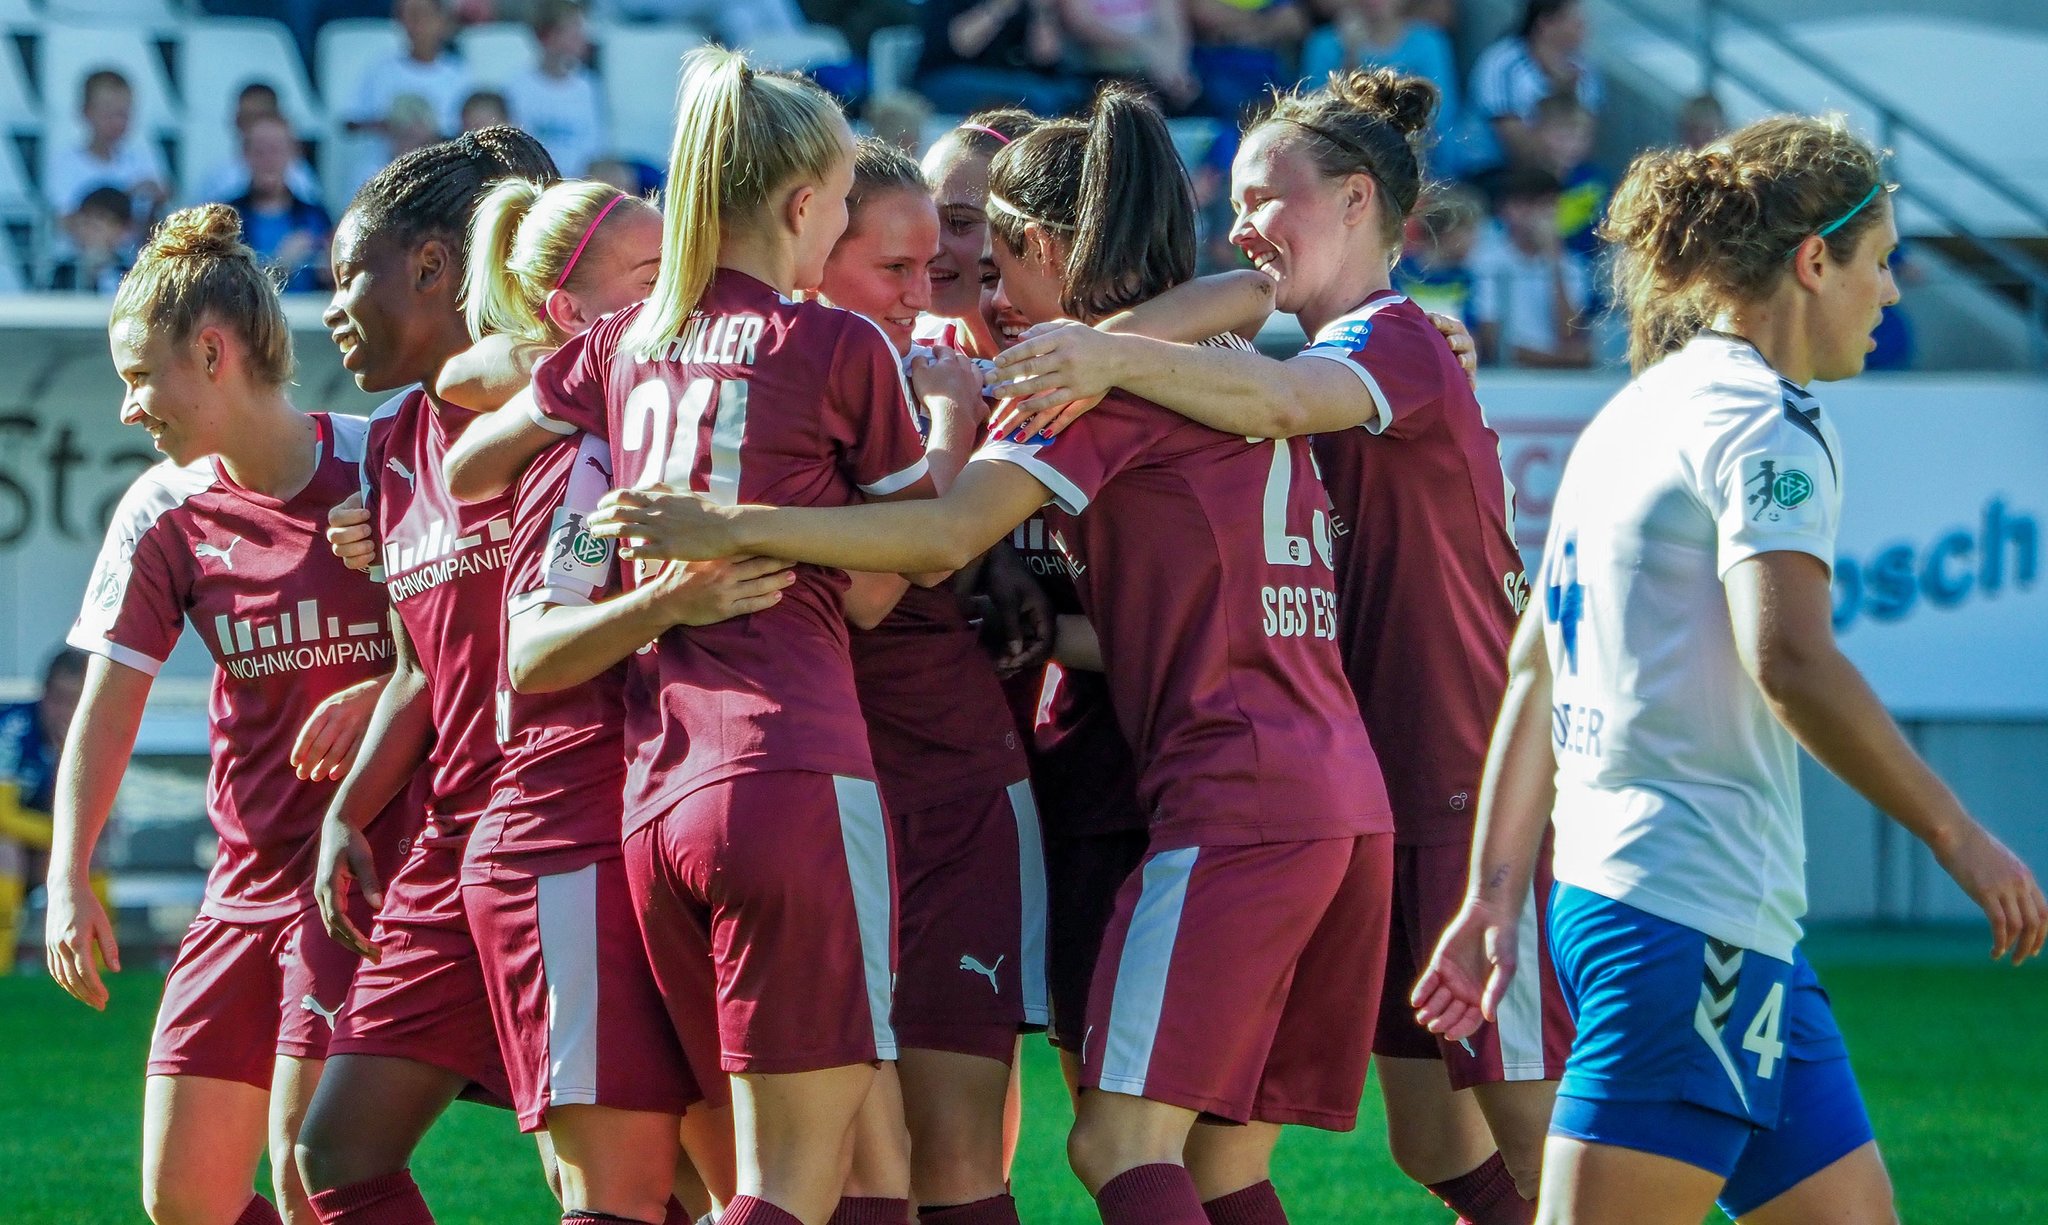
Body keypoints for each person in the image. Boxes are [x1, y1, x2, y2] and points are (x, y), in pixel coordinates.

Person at [587, 85, 1398, 1225]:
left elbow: (922, 542)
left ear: (1040, 247)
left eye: (988, 257)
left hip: (1229, 794)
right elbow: (1247, 297)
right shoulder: (1214, 355)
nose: (975, 294)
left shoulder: (1081, 388)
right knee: (1214, 1166)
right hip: (1329, 789)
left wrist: (735, 529)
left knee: (1117, 1140)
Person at [1416, 113, 2048, 1225]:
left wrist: (1492, 898)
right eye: (1881, 259)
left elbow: (1530, 673)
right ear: (1814, 262)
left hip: (1708, 917)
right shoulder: (1765, 422)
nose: (1891, 292)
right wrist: (1960, 834)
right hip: (1683, 918)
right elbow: (1790, 658)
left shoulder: (1634, 409)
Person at [980, 68, 1567, 1224]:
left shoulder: (1391, 339)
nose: (1245, 226)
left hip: (1457, 784)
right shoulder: (1281, 355)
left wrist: (1100, 356)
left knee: (1551, 1144)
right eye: (1233, 199)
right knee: (1432, 1138)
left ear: (1357, 201)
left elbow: (1285, 399)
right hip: (1366, 798)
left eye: (1269, 197)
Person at [445, 49, 937, 1225]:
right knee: (788, 1187)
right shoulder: (835, 345)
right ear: (804, 204)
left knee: (868, 1166)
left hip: (658, 798)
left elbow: (468, 458)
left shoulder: (624, 345)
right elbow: (902, 566)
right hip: (794, 770)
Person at [47, 204, 405, 1225]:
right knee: (185, 1198)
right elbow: (107, 709)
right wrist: (69, 876)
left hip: (359, 881)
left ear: (210, 353)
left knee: (310, 1175)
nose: (128, 408)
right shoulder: (165, 509)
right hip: (239, 889)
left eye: (137, 376)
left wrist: (383, 691)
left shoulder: (384, 465)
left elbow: (491, 638)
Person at [457, 175, 757, 1224]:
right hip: (565, 837)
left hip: (649, 829)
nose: (684, 292)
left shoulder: (652, 421)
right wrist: (677, 598)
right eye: (649, 275)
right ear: (571, 319)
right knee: (621, 1191)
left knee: (738, 1180)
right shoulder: (580, 454)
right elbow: (533, 649)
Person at [290, 126, 560, 1225]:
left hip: (573, 822)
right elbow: (416, 664)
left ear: (438, 268)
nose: (330, 306)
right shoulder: (394, 441)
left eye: (350, 272)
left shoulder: (561, 408)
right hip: (451, 841)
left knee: (634, 1177)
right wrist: (349, 809)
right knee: (338, 1154)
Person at [816, 137, 1046, 1225]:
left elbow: (875, 584)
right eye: (893, 269)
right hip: (811, 801)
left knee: (953, 1156)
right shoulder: (765, 373)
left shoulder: (957, 369)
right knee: (850, 1155)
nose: (924, 292)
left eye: (937, 256)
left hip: (950, 790)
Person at [920, 112, 1045, 359]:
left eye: (959, 222)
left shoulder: (1095, 362)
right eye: (922, 219)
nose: (930, 247)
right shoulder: (899, 355)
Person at [0, 648, 89, 975]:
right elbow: (3, 816)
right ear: (44, 693)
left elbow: (99, 818)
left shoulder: (92, 737)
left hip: (40, 846)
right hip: (15, 844)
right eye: (59, 698)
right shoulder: (12, 729)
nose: (64, 710)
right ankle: (3, 972)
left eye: (75, 700)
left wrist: (69, 760)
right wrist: (63, 838)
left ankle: (89, 971)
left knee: (93, 853)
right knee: (5, 851)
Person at [1299, 0, 1459, 166]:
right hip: (1347, 164)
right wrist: (1351, 53)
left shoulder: (1430, 42)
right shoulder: (1322, 45)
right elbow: (1318, 120)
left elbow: (1442, 118)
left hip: (1422, 166)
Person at [1470, 166, 1593, 368]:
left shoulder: (1573, 266)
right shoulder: (1485, 262)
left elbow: (1569, 333)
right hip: (1509, 380)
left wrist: (1554, 261)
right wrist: (1564, 359)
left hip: (1563, 382)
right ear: (1506, 209)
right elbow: (1494, 344)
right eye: (1529, 205)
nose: (1539, 216)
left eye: (1548, 206)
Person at [1465, 0, 1601, 176]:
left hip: (1562, 172)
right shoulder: (1503, 62)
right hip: (1491, 168)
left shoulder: (1585, 69)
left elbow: (1585, 134)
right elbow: (1513, 139)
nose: (1582, 24)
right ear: (1546, 22)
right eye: (1573, 18)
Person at [343, 0, 472, 168]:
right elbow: (349, 122)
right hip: (381, 170)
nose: (416, 23)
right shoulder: (381, 70)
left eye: (423, 15)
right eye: (408, 15)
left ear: (442, 21)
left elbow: (467, 131)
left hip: (439, 171)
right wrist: (388, 125)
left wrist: (429, 135)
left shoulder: (460, 76)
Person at [912, 0, 1079, 118]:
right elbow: (963, 45)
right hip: (945, 77)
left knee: (1074, 95)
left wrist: (1042, 11)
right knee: (1040, 100)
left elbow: (1045, 55)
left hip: (1007, 79)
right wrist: (999, 7)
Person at [229, 115, 333, 293]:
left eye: (276, 150)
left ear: (293, 154)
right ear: (245, 155)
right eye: (260, 151)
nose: (268, 160)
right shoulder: (226, 220)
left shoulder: (316, 217)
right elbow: (223, 287)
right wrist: (281, 266)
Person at [49, 69, 170, 223]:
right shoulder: (64, 163)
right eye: (108, 115)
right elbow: (66, 223)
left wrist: (158, 202)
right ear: (86, 112)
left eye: (124, 115)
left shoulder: (143, 160)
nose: (117, 123)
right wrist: (125, 196)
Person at [505, 0, 606, 177]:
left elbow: (596, 149)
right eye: (572, 29)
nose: (581, 36)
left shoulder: (588, 86)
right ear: (547, 35)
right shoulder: (517, 86)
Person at [193, 82, 323, 208]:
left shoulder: (301, 180)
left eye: (257, 117)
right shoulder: (217, 178)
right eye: (245, 116)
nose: (250, 124)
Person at [49, 186, 139, 293]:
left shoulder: (133, 272)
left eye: (98, 227)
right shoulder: (63, 271)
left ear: (122, 229)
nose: (90, 233)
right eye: (85, 223)